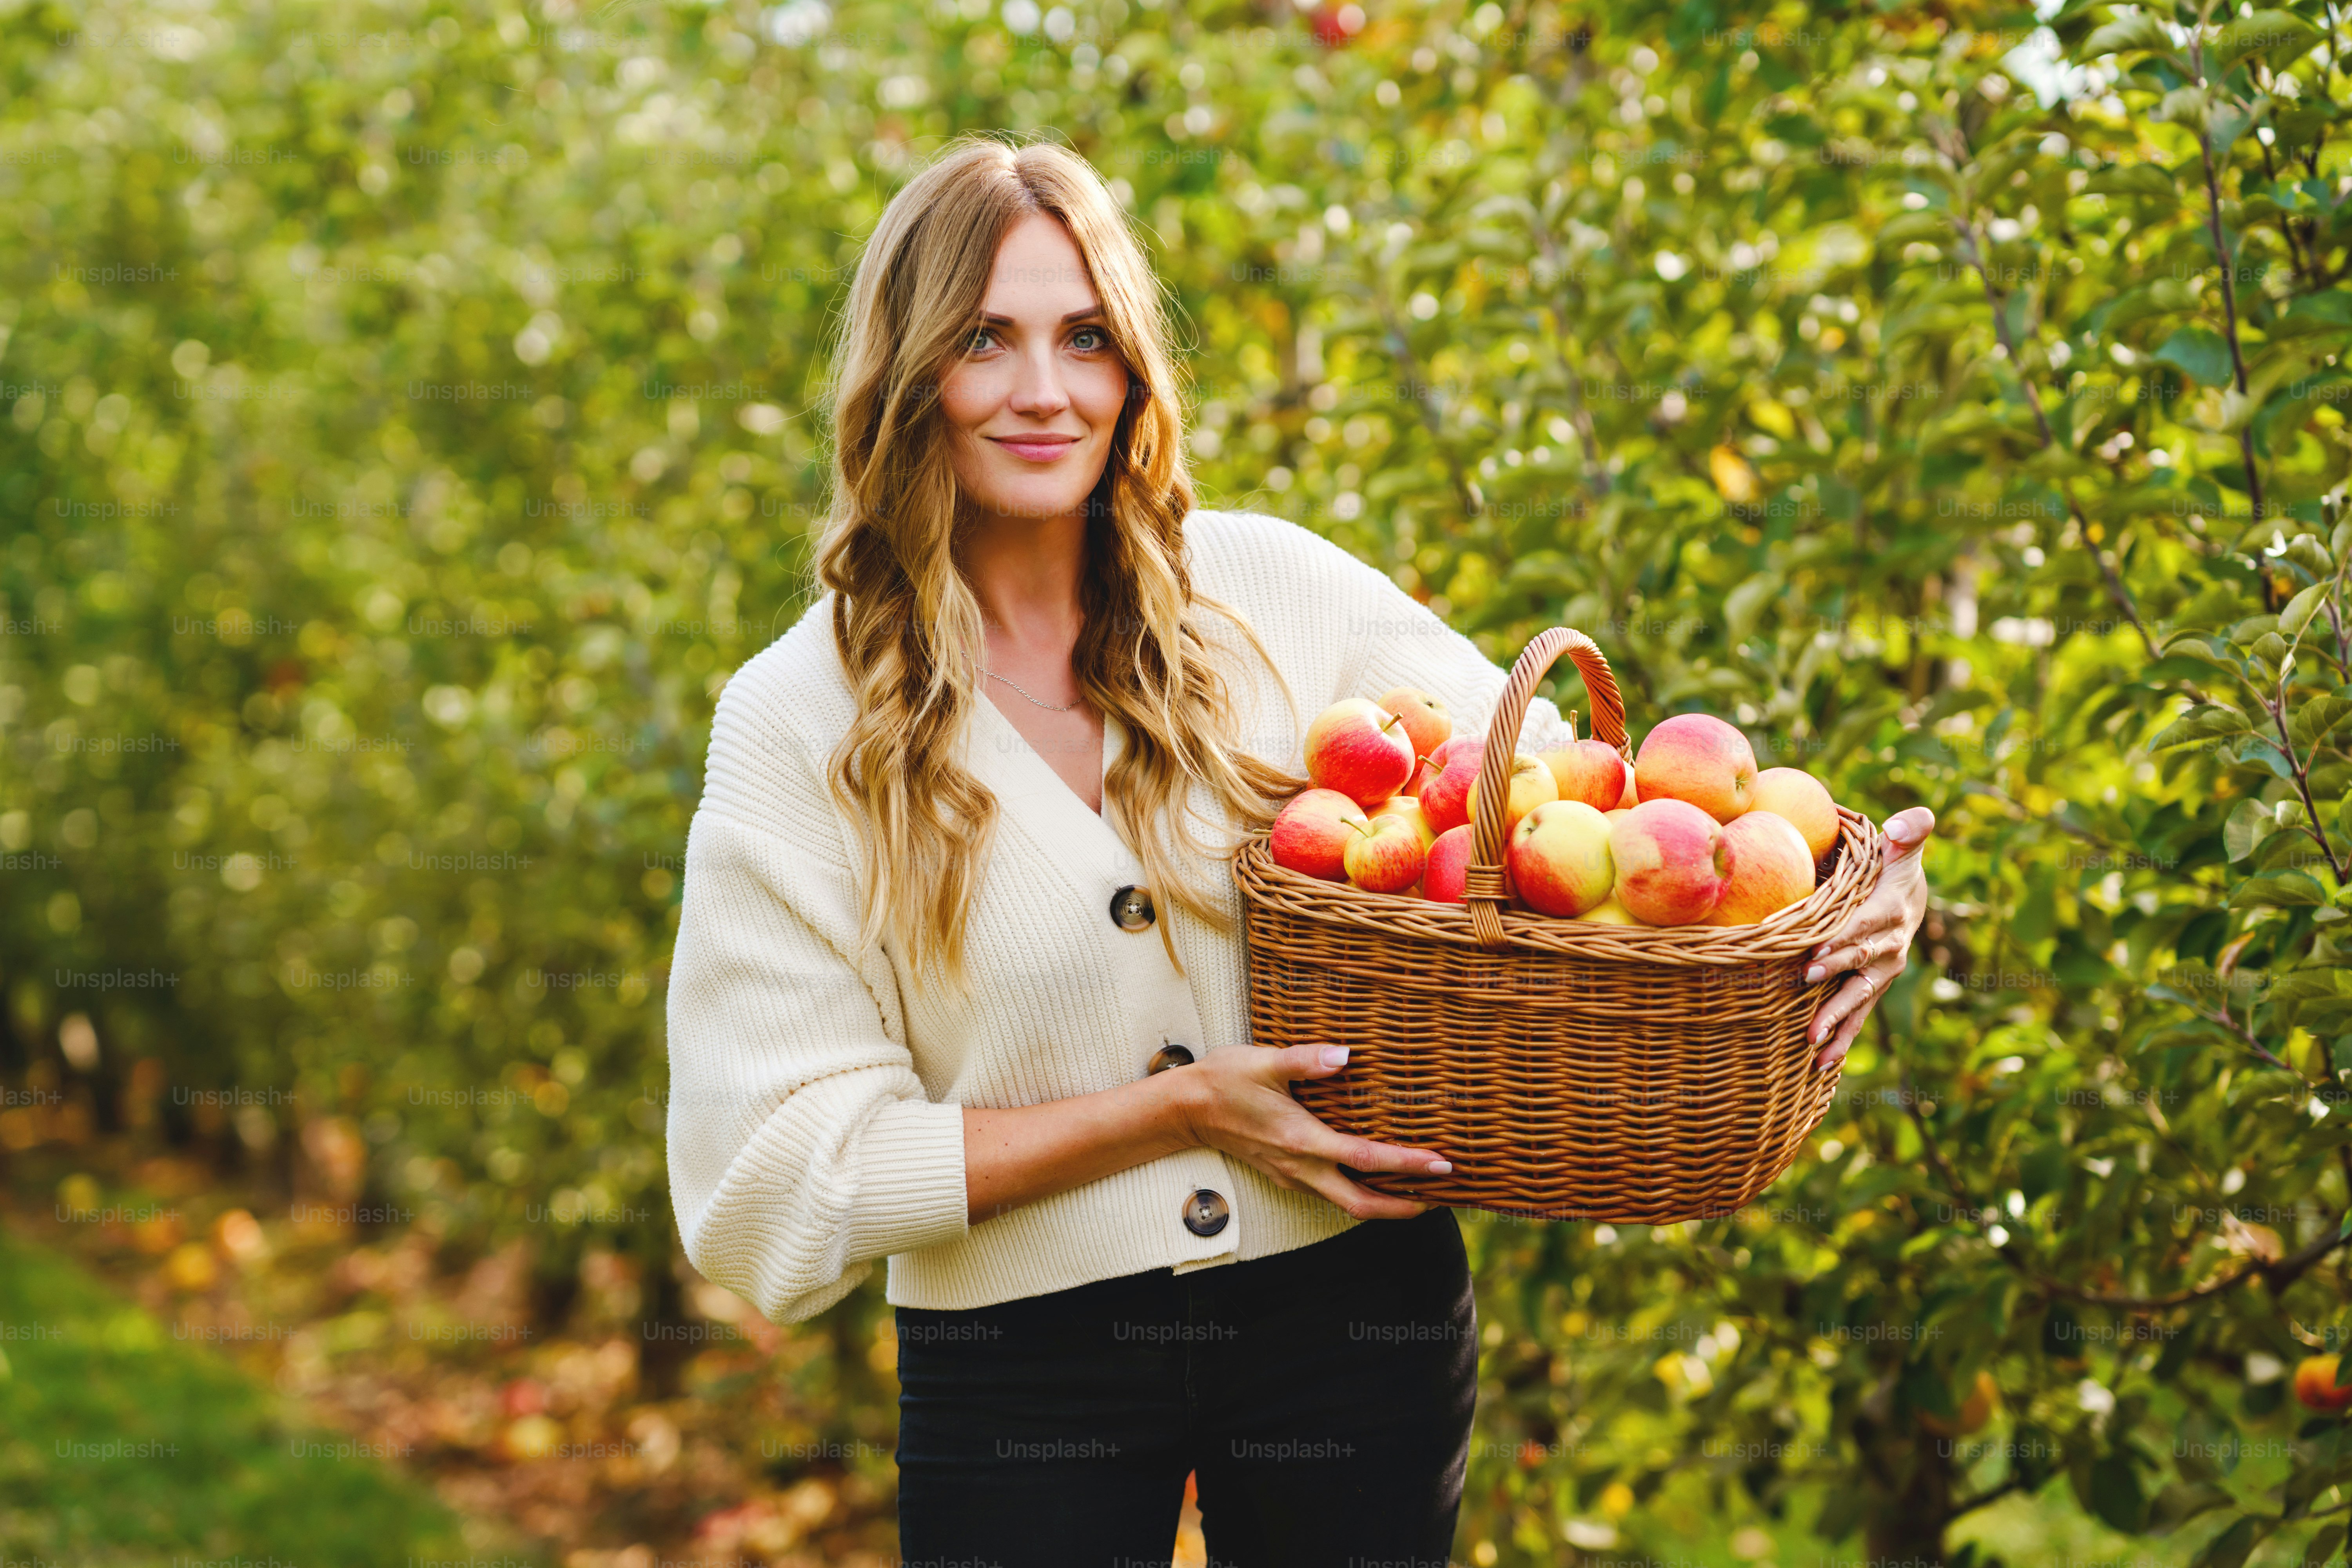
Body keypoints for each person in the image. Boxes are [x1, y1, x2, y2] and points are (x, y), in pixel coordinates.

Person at [662, 134, 1934, 1567]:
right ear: (908, 377)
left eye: (1085, 338)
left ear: (1133, 367)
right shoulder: (801, 720)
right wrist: (1176, 1113)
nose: (1044, 390)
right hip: (1026, 1357)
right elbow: (765, 1177)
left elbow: (1592, 808)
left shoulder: (1263, 589)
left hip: (1353, 1317)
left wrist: (1847, 878)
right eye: (983, 340)